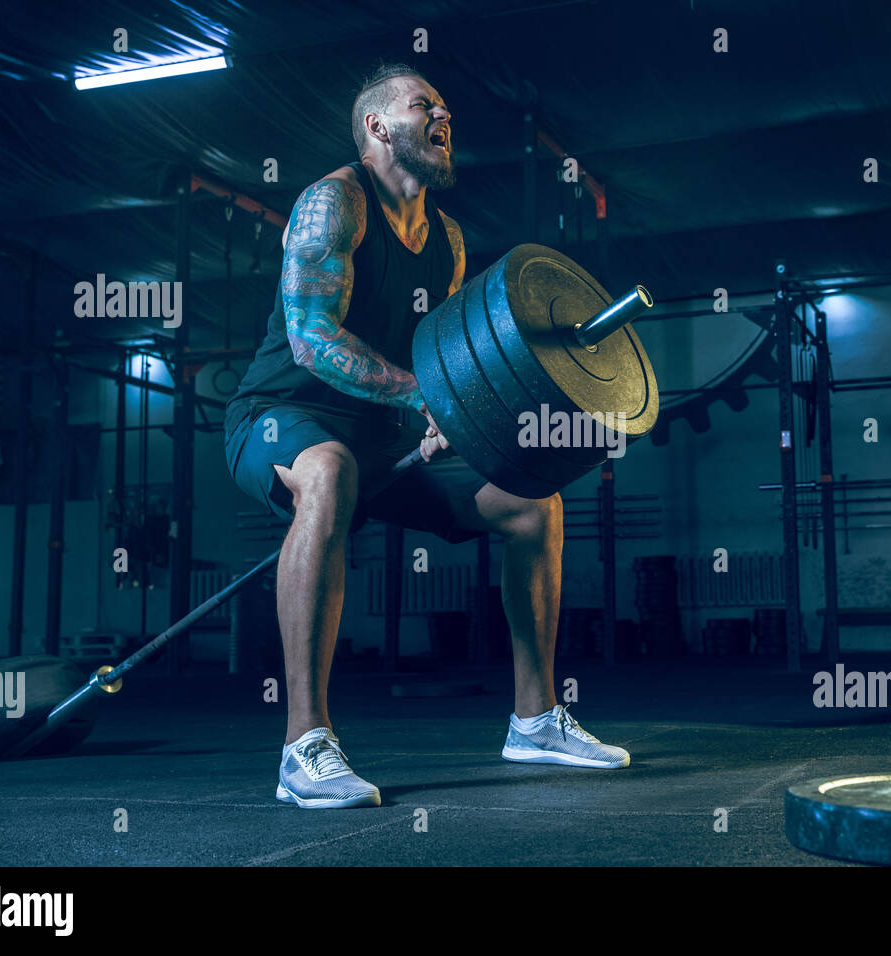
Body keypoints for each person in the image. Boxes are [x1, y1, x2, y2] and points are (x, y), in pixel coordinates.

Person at [223, 64, 630, 809]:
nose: (444, 116)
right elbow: (312, 340)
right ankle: (303, 746)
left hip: (382, 431)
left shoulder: (447, 239)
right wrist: (421, 397)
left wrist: (454, 412)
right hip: (281, 415)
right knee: (330, 470)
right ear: (378, 127)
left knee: (533, 500)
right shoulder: (330, 204)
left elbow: (437, 356)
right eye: (424, 105)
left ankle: (535, 721)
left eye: (446, 108)